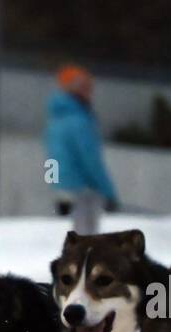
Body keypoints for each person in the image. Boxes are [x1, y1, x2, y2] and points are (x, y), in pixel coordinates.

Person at [44, 65, 118, 234]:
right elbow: (91, 161)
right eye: (86, 87)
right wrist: (108, 193)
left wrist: (57, 189)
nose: (90, 92)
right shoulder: (80, 121)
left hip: (65, 192)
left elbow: (51, 159)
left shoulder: (54, 121)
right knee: (88, 240)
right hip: (85, 190)